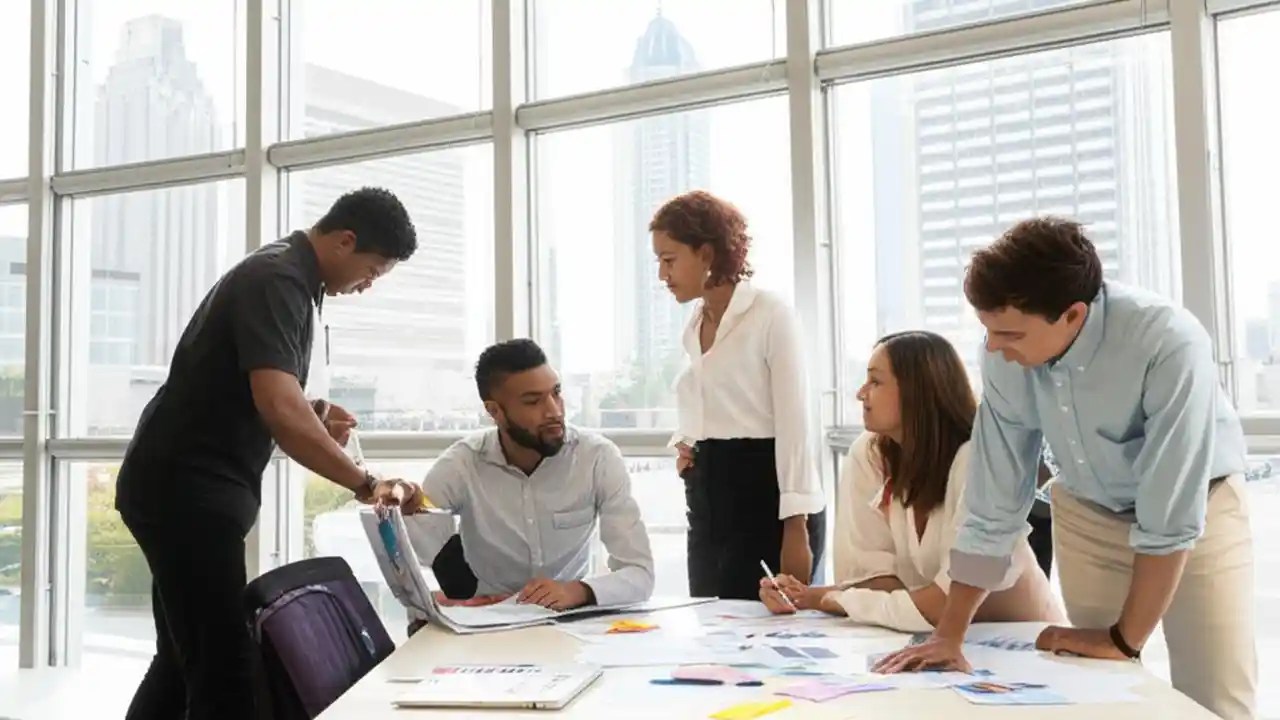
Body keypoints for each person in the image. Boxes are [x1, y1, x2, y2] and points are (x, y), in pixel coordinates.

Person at [873, 218, 1256, 720]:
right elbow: (993, 499)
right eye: (987, 330)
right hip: (1087, 508)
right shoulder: (1003, 353)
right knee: (1099, 690)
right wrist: (949, 634)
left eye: (1008, 332)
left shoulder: (1168, 342)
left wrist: (1124, 639)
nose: (992, 347)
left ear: (1073, 314)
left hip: (1198, 508)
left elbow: (1170, 511)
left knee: (1214, 694)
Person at [114, 187, 422, 720]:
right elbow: (279, 406)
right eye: (373, 270)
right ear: (345, 241)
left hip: (183, 486)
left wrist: (316, 415)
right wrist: (364, 483)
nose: (368, 285)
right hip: (186, 489)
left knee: (184, 657)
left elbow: (261, 393)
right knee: (225, 665)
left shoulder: (291, 279)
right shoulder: (277, 278)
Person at [758, 331, 1063, 631]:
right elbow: (872, 582)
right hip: (939, 639)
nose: (861, 392)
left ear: (918, 391)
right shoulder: (870, 452)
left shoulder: (975, 459)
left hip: (1022, 644)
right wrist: (817, 597)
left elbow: (942, 604)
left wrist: (827, 598)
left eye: (875, 381)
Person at [652, 190, 826, 600]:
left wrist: (796, 527)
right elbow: (718, 401)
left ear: (706, 254)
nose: (662, 274)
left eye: (669, 259)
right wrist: (688, 444)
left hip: (768, 494)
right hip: (711, 497)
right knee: (711, 628)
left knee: (768, 636)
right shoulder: (694, 324)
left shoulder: (771, 314)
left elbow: (795, 424)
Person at [406, 339, 655, 614]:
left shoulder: (597, 458)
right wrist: (455, 595)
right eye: (533, 401)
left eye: (556, 393)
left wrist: (577, 591)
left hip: (569, 623)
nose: (554, 411)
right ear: (495, 411)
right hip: (487, 624)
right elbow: (412, 543)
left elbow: (639, 575)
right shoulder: (462, 464)